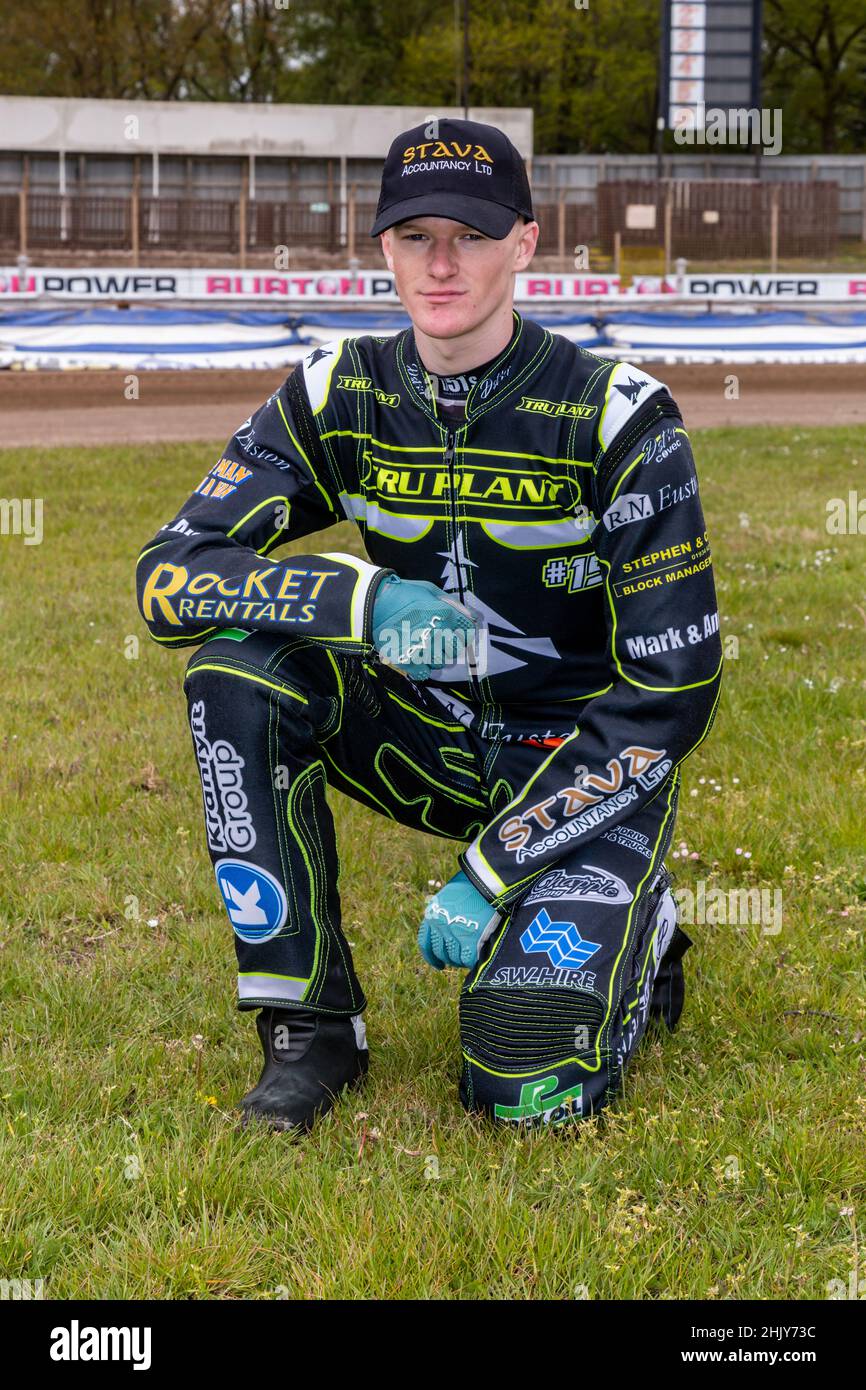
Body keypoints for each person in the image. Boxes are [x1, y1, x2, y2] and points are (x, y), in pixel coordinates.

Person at [136, 117, 722, 1133]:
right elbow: (168, 575)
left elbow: (670, 696)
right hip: (428, 737)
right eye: (414, 237)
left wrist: (491, 868)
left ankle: (642, 915)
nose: (440, 263)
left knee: (520, 1082)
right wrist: (358, 602)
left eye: (470, 235)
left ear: (525, 243)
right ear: (382, 248)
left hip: (571, 768)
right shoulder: (336, 391)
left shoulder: (619, 417)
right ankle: (309, 1031)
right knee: (233, 668)